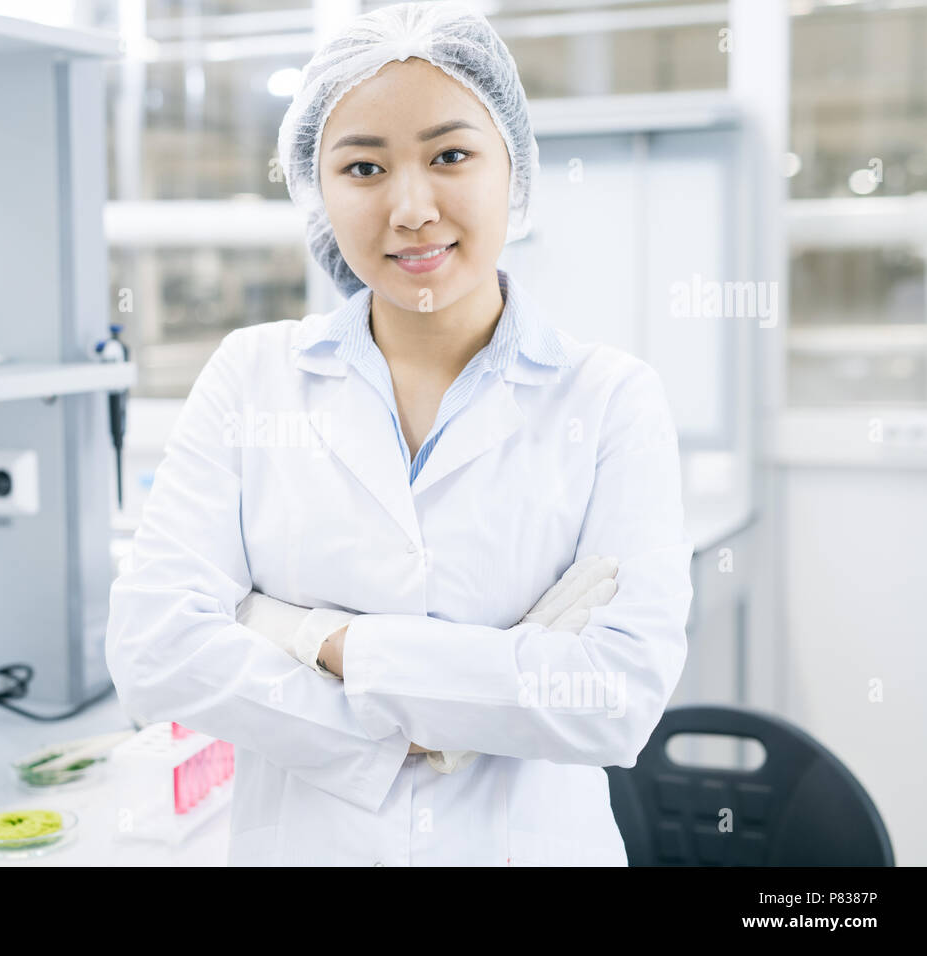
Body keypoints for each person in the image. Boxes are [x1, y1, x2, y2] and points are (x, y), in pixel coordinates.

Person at [106, 0, 694, 866]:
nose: (411, 207)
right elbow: (153, 650)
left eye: (450, 154)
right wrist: (418, 722)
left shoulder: (609, 400)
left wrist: (315, 638)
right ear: (319, 189)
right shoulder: (251, 375)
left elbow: (613, 698)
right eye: (364, 167)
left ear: (513, 170)